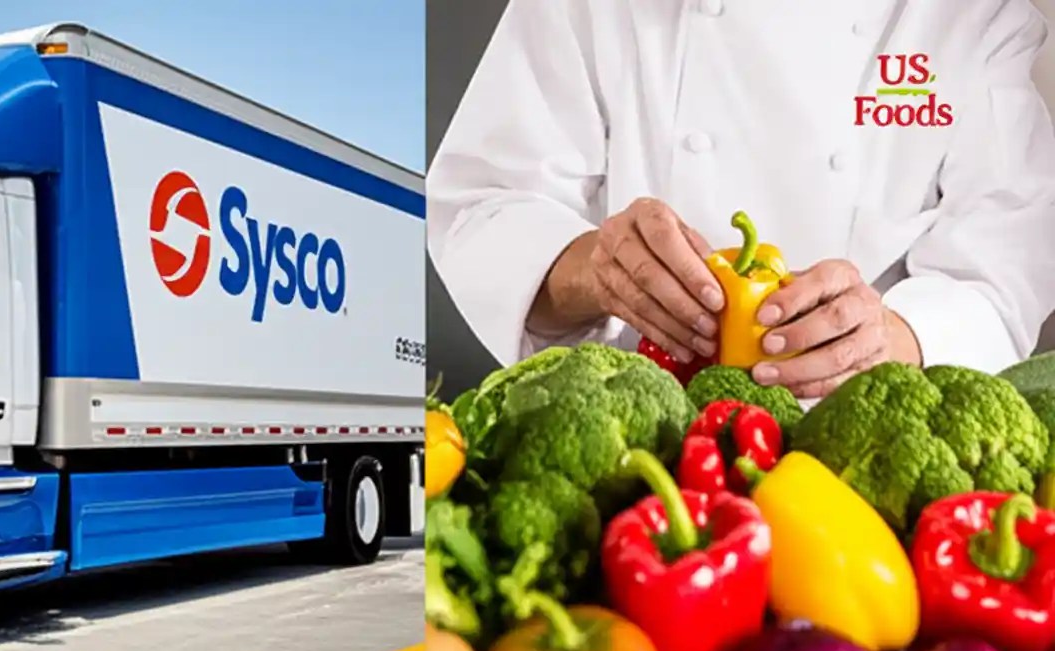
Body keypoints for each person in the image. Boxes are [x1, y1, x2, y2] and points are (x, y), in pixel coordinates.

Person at [427, 0, 1055, 398]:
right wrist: (597, 267)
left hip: (859, 448)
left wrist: (888, 337)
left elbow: (1002, 272)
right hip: (638, 438)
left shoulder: (972, 18)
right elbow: (485, 203)